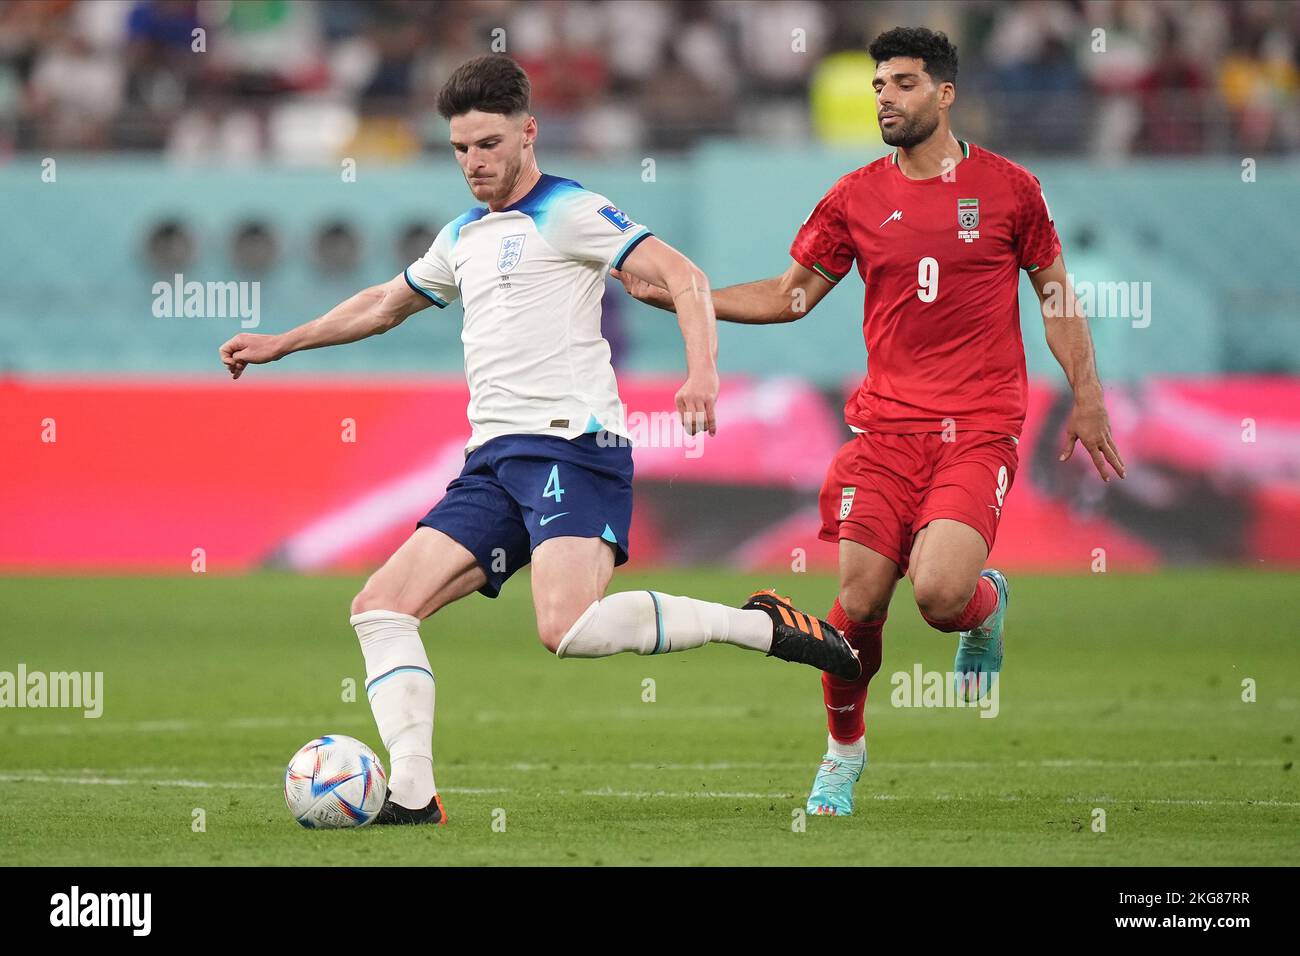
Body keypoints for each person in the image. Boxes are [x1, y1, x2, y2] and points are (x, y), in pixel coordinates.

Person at [218, 54, 859, 826]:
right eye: (460, 149)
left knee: (568, 629)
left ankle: (760, 625)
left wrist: (702, 372)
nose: (473, 162)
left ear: (529, 133)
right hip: (491, 463)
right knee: (380, 607)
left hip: (571, 448)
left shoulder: (572, 210)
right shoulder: (462, 237)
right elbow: (383, 304)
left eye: (488, 144)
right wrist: (282, 342)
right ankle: (413, 795)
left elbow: (684, 275)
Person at [616, 28, 1125, 816]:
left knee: (941, 596)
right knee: (856, 606)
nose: (886, 97)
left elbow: (1055, 295)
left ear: (945, 94)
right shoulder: (854, 196)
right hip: (885, 433)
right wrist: (692, 299)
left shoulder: (1011, 190)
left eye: (904, 83)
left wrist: (1086, 393)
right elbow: (790, 296)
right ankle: (843, 754)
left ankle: (985, 608)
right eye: (879, 84)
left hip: (977, 427)